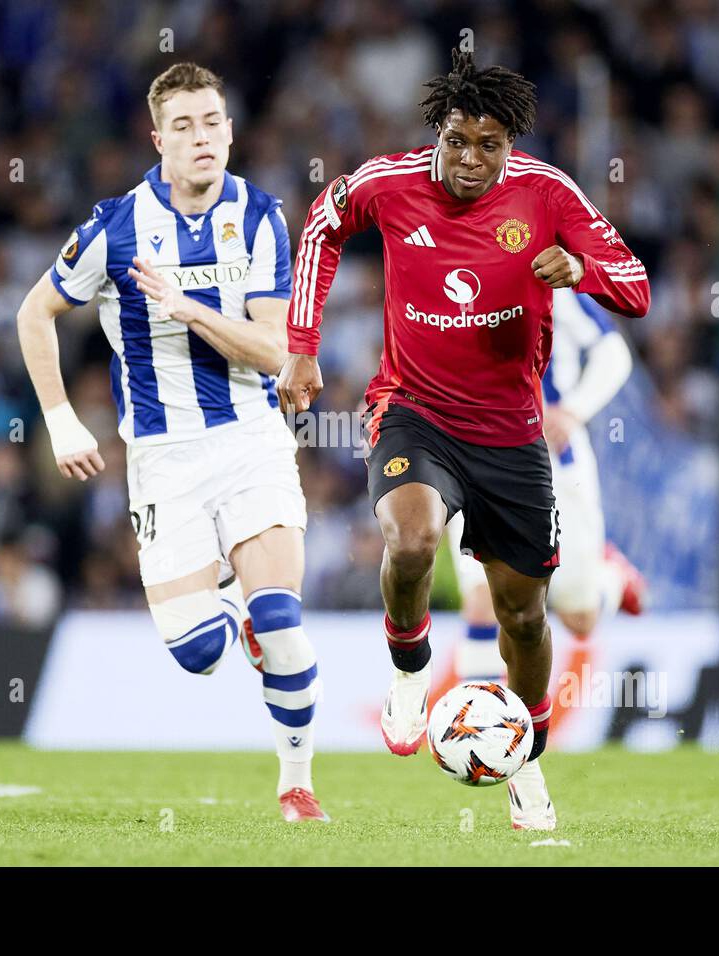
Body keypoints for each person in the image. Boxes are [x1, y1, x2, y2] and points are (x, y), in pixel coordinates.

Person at [278, 50, 650, 829]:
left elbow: (636, 286)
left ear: (511, 146)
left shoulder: (548, 194)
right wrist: (303, 344)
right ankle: (410, 671)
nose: (470, 158)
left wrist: (578, 266)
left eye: (488, 144)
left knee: (523, 616)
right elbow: (321, 223)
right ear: (436, 135)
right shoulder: (390, 182)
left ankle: (529, 763)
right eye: (456, 140)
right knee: (409, 542)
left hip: (511, 436)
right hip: (413, 411)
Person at [16, 63, 327, 820]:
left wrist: (187, 307)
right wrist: (59, 416)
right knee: (198, 654)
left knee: (282, 621)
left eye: (212, 121)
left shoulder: (258, 214)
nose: (201, 138)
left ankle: (297, 784)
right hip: (163, 458)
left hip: (252, 438)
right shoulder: (116, 225)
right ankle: (226, 605)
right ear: (158, 139)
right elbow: (33, 313)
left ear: (230, 128)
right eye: (183, 126)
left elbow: (276, 350)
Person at [449, 288, 647, 683]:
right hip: (473, 456)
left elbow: (614, 353)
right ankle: (482, 735)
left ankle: (611, 577)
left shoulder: (547, 282)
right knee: (482, 598)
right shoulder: (442, 274)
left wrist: (573, 410)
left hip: (552, 460)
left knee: (580, 615)